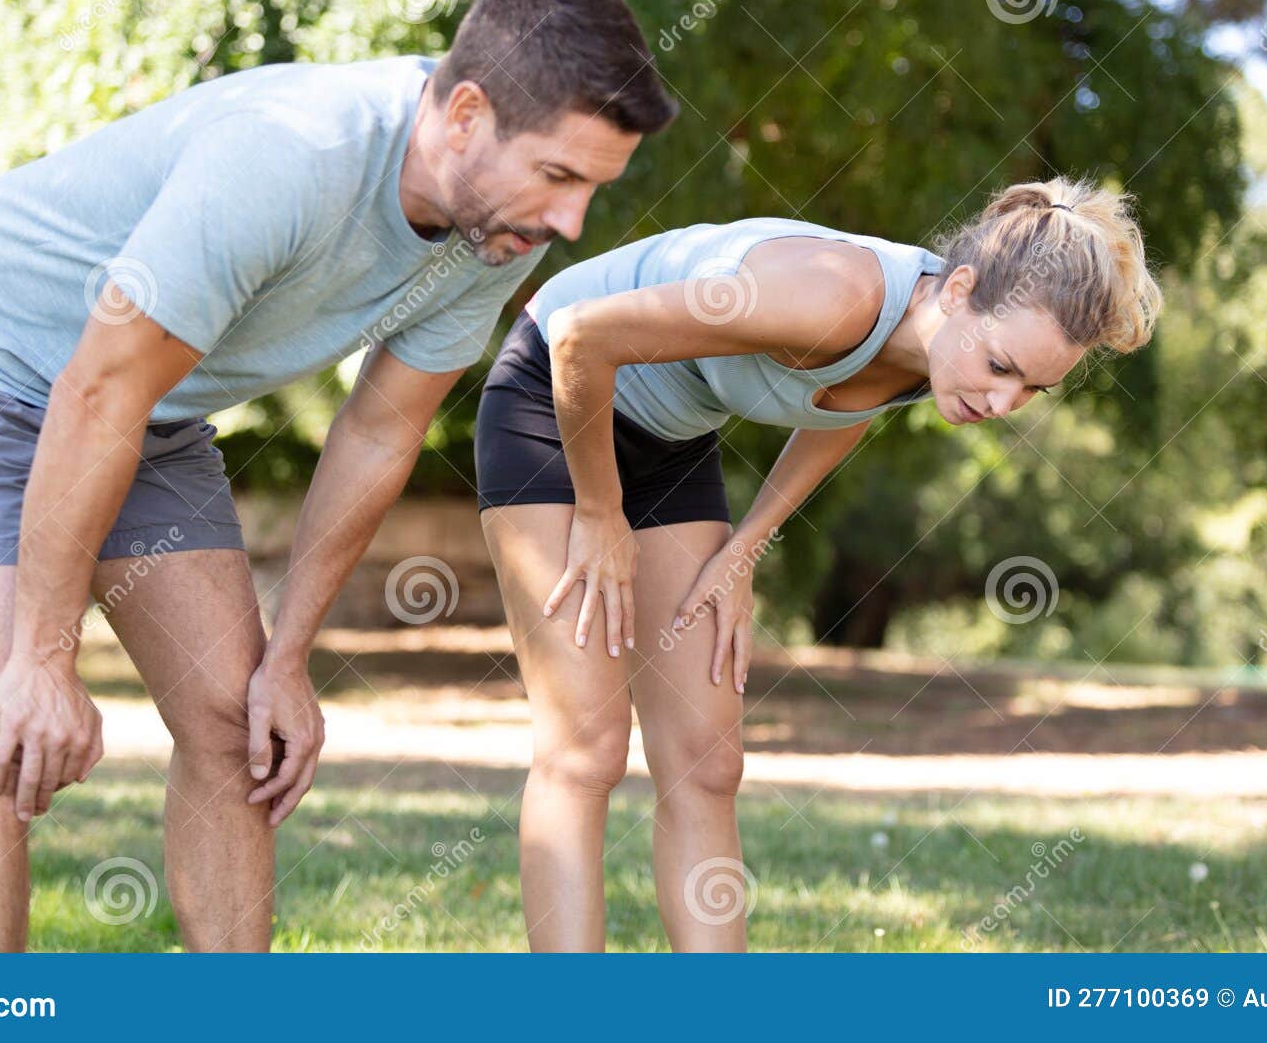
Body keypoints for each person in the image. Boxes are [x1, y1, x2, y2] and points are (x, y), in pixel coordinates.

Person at [0, 0, 676, 952]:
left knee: (234, 724)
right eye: (558, 176)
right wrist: (41, 652)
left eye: (592, 187)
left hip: (142, 400)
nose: (571, 221)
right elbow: (95, 391)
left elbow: (378, 430)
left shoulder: (496, 231)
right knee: (5, 724)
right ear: (465, 115)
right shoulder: (291, 158)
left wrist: (288, 656)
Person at [475, 178, 1161, 950]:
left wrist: (744, 548)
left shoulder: (938, 348)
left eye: (1033, 386)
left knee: (705, 761)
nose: (1004, 402)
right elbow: (579, 337)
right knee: (586, 749)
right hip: (552, 396)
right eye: (1003, 366)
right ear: (959, 289)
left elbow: (847, 405)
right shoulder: (830, 295)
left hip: (670, 438)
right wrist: (600, 515)